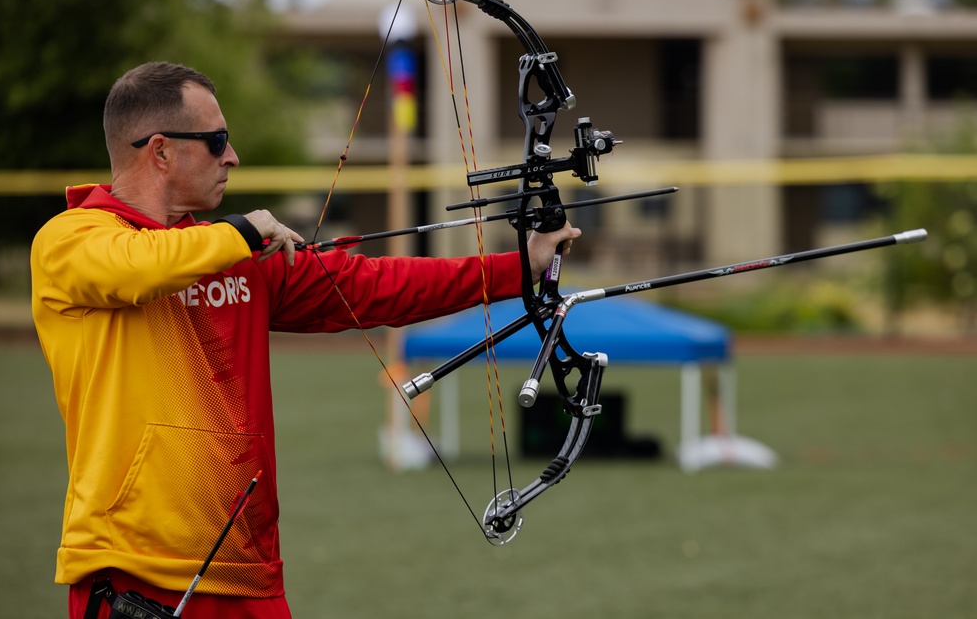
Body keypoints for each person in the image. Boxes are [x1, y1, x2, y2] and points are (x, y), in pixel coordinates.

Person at [30, 61, 580, 619]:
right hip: (132, 573)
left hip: (246, 569)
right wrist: (242, 233)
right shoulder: (71, 240)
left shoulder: (232, 257)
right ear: (161, 151)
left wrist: (519, 268)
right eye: (217, 140)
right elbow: (134, 268)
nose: (232, 156)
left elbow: (374, 288)